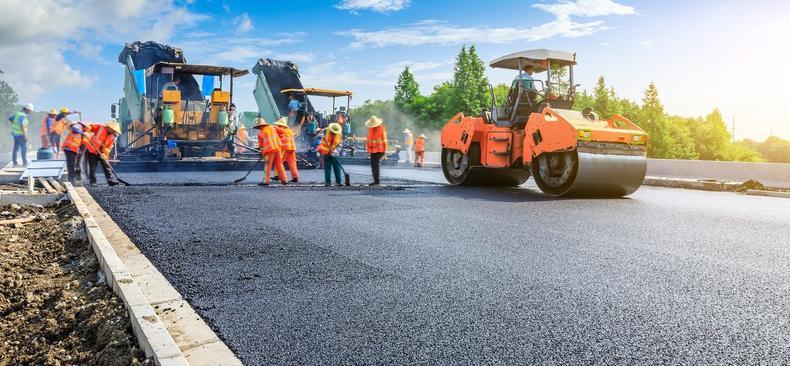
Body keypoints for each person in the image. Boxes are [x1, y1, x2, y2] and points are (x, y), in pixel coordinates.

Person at [83, 121, 121, 186]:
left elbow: (108, 148)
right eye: (113, 130)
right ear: (110, 127)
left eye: (114, 130)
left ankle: (110, 181)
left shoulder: (112, 137)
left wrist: (104, 153)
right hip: (92, 151)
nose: (113, 131)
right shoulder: (100, 127)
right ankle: (93, 182)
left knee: (107, 166)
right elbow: (90, 126)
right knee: (92, 167)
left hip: (101, 153)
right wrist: (86, 130)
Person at [253, 118, 287, 186]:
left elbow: (261, 146)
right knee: (279, 165)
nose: (258, 128)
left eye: (258, 127)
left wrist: (262, 152)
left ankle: (266, 181)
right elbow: (283, 132)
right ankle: (284, 180)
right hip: (278, 148)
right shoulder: (273, 127)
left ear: (259, 126)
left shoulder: (260, 133)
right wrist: (278, 139)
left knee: (268, 166)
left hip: (269, 151)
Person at [274, 117, 299, 183]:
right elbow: (294, 135)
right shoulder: (289, 130)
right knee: (292, 163)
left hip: (285, 148)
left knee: (278, 161)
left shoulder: (279, 129)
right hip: (292, 148)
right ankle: (295, 177)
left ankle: (277, 175)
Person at [8, 103, 34, 167]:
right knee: (23, 148)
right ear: (27, 109)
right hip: (21, 134)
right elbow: (22, 125)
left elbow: (10, 118)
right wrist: (25, 135)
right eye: (30, 111)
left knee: (15, 149)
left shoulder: (17, 114)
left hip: (15, 134)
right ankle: (24, 163)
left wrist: (14, 124)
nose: (30, 112)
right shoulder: (23, 115)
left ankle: (15, 163)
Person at [318, 122, 343, 187]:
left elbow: (340, 145)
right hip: (326, 153)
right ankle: (328, 182)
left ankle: (339, 182)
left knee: (337, 168)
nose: (334, 133)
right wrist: (320, 134)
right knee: (327, 168)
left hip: (335, 154)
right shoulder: (326, 130)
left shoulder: (339, 134)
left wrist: (335, 151)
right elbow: (318, 131)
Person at [365, 116, 388, 186]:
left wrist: (385, 152)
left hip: (380, 150)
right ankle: (376, 181)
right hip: (373, 150)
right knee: (373, 166)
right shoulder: (370, 129)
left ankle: (377, 182)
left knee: (376, 165)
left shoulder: (381, 129)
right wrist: (368, 151)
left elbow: (384, 140)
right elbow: (369, 140)